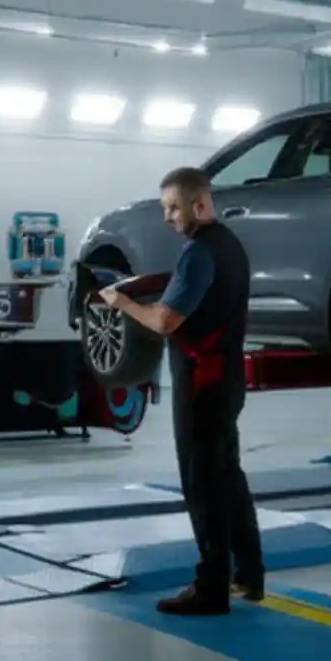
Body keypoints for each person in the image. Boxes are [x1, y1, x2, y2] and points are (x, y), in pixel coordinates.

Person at [98, 166, 264, 616]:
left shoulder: (199, 254)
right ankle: (249, 574)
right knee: (228, 476)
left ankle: (210, 588)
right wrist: (148, 282)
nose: (168, 218)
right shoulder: (228, 246)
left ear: (199, 204)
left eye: (173, 208)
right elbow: (187, 282)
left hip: (200, 386)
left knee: (202, 484)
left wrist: (124, 302)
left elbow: (164, 321)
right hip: (227, 380)